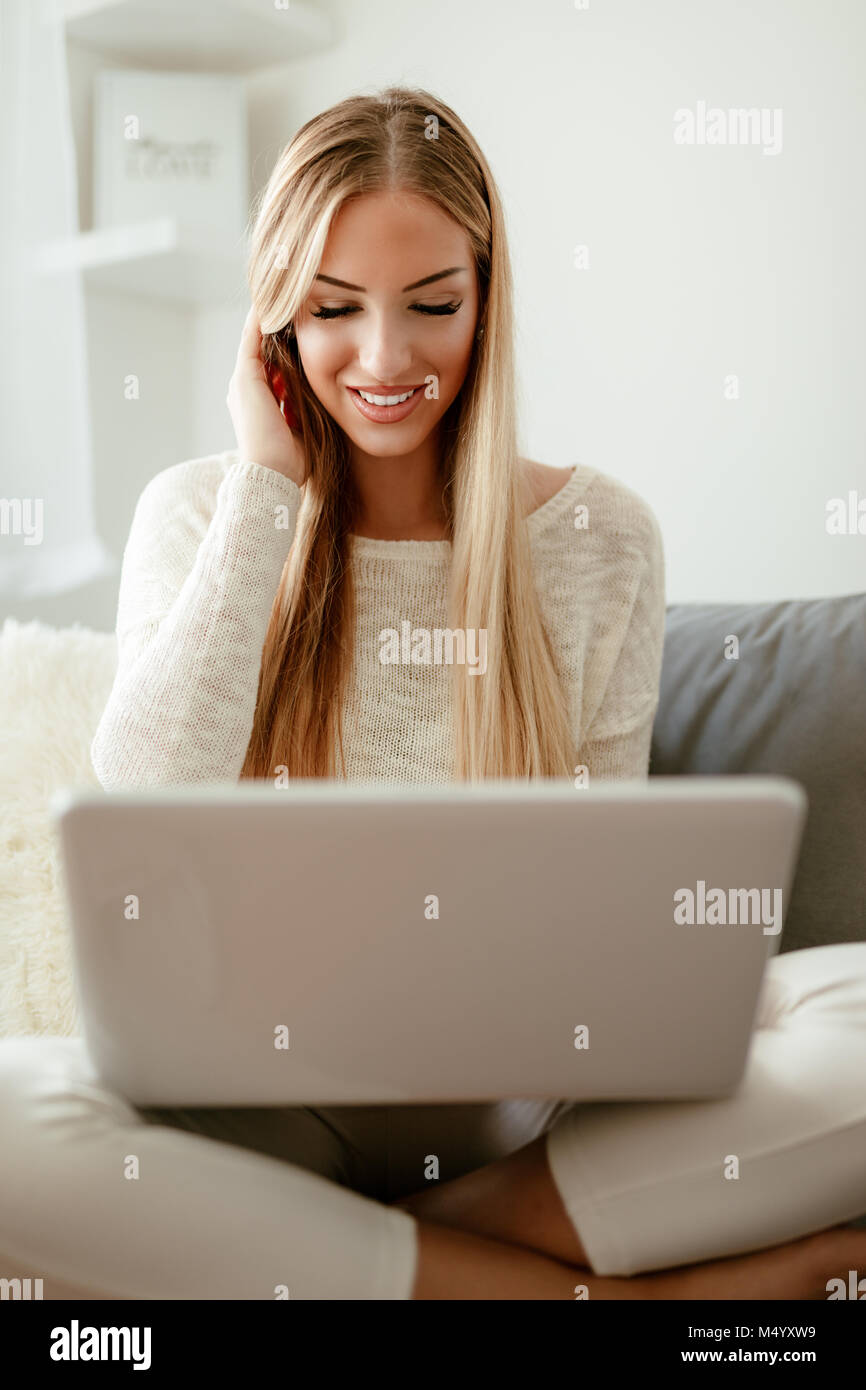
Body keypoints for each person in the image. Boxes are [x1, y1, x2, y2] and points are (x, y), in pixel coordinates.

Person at [1, 85, 865, 1301]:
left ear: (489, 297)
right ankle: (608, 1296)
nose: (386, 359)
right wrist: (264, 489)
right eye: (331, 309)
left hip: (517, 1110)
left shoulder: (599, 536)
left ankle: (404, 1237)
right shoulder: (199, 512)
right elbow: (141, 799)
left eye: (433, 306)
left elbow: (600, 888)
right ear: (272, 324)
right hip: (252, 1098)